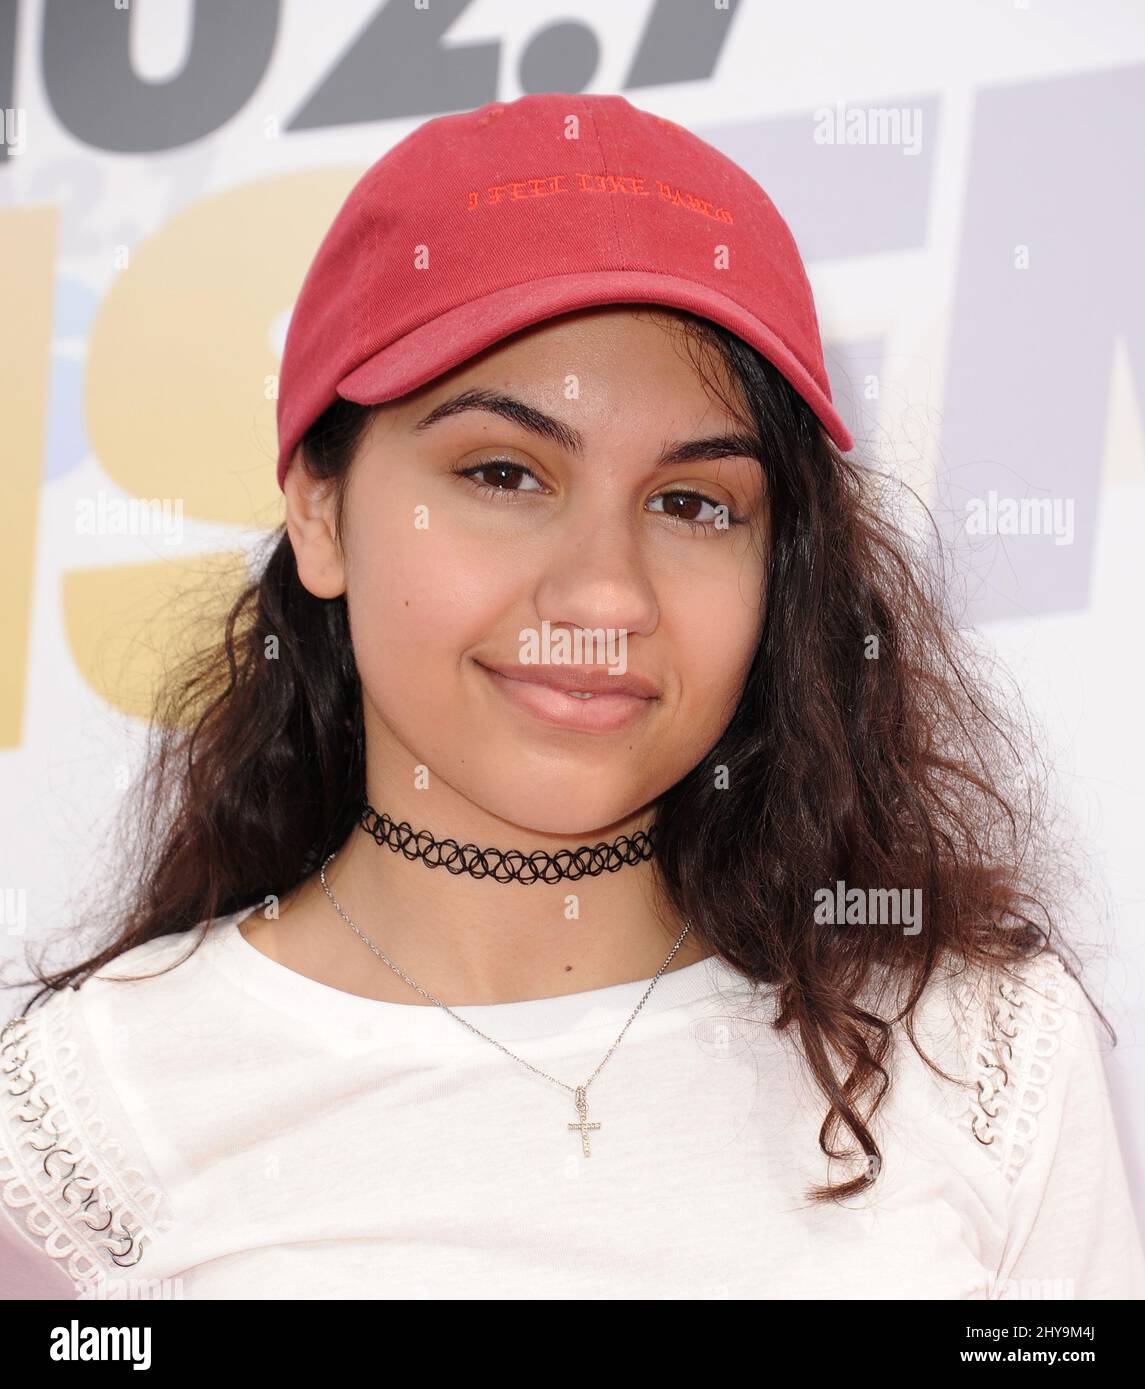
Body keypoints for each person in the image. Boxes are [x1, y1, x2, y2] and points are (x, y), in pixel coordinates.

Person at [2, 92, 1142, 1301]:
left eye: (692, 502)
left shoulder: (978, 1051)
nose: (604, 595)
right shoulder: (89, 1116)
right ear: (320, 511)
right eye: (503, 472)